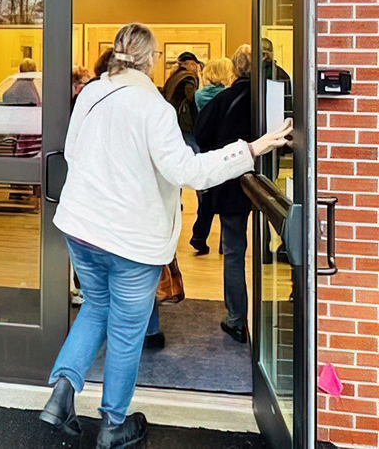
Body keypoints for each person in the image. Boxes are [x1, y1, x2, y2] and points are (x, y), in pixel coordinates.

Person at [39, 25, 292, 448]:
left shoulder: (90, 94)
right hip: (131, 241)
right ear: (150, 59)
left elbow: (76, 152)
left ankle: (61, 394)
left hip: (80, 228)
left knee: (96, 307)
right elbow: (189, 172)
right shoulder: (154, 108)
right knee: (126, 332)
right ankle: (113, 424)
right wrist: (251, 149)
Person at [193, 44, 259, 345]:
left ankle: (236, 319)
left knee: (234, 252)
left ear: (235, 68)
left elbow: (202, 134)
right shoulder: (268, 96)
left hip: (233, 184)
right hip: (268, 183)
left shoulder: (225, 98)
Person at [190, 57, 236, 255]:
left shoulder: (199, 96)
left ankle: (199, 235)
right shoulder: (227, 96)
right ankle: (224, 242)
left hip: (205, 148)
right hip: (225, 147)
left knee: (206, 198)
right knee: (226, 197)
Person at [162, 51, 203, 150]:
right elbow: (191, 97)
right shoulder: (189, 77)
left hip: (173, 116)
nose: (196, 68)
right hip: (185, 119)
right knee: (193, 148)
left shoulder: (175, 76)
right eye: (194, 64)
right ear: (187, 64)